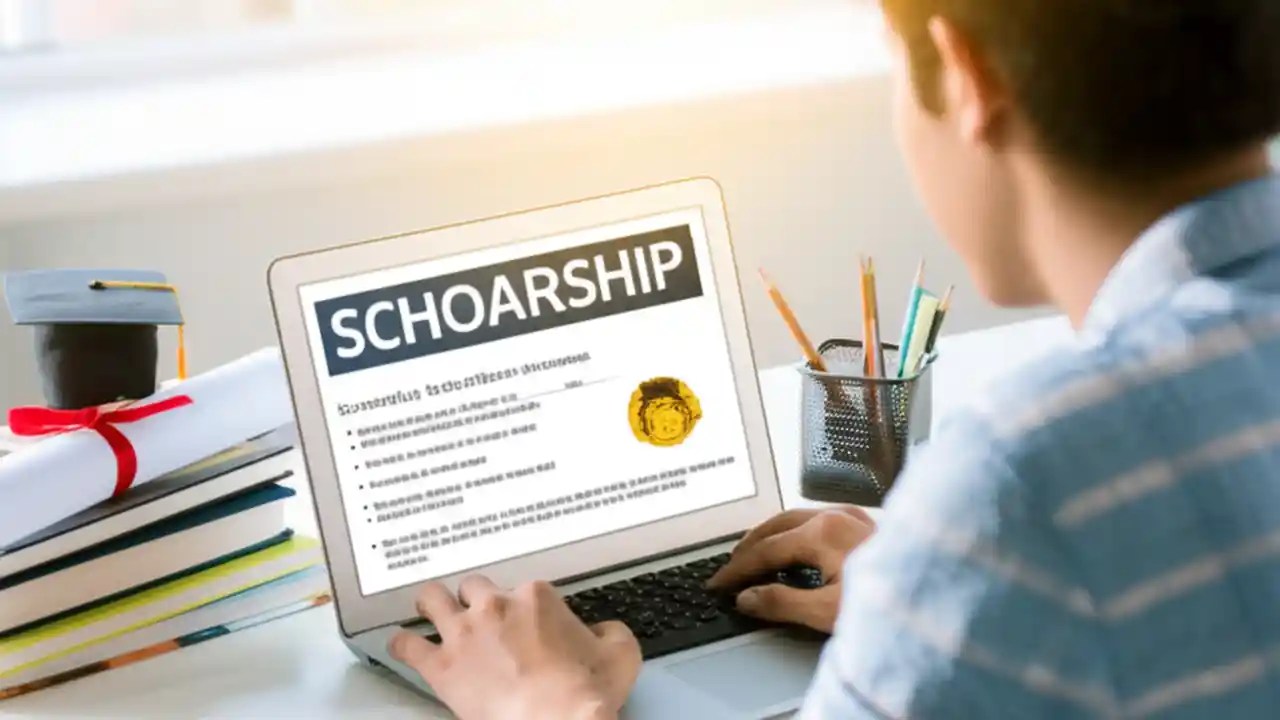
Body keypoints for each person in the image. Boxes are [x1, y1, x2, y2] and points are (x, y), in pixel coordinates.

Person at [387, 0, 1280, 716]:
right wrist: (940, 607)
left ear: (966, 76)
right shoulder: (1024, 516)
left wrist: (549, 705)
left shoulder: (1023, 482)